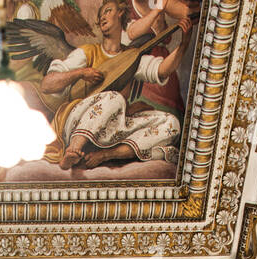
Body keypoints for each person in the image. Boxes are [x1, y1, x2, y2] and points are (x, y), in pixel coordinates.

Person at [41, 0, 193, 170]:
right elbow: (47, 85)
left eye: (107, 11)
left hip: (112, 129)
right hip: (76, 122)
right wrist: (81, 73)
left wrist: (184, 44)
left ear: (120, 13)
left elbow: (162, 70)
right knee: (115, 98)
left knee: (171, 123)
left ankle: (106, 155)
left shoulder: (130, 57)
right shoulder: (89, 52)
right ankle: (74, 150)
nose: (103, 17)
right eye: (101, 15)